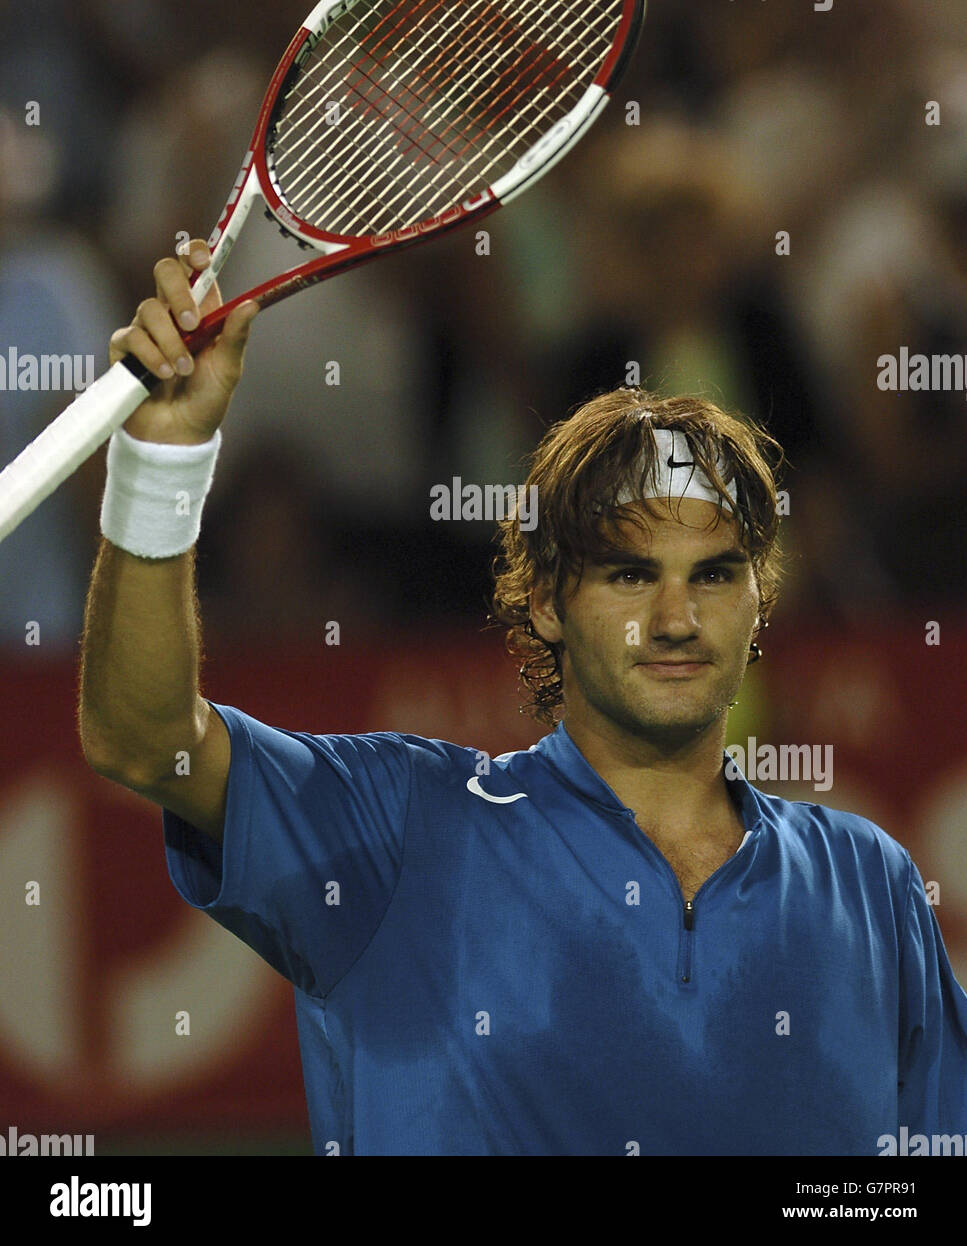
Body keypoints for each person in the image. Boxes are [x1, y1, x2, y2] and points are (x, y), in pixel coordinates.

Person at [79, 243, 967, 1156]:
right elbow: (144, 740)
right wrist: (164, 462)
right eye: (628, 574)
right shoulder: (394, 830)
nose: (675, 619)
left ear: (756, 601)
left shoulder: (872, 884)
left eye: (713, 574)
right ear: (545, 600)